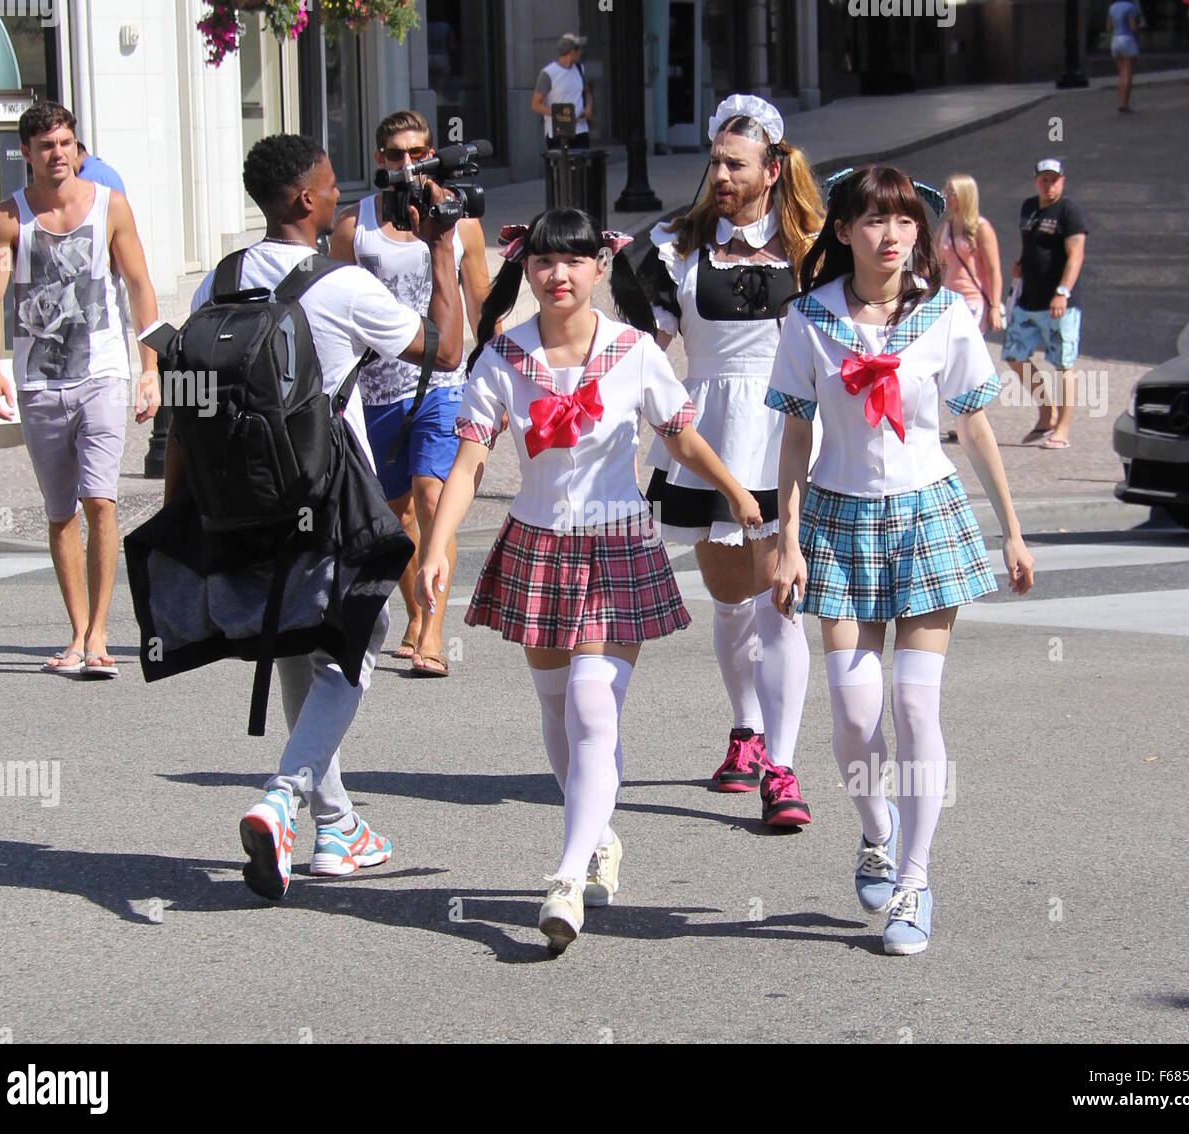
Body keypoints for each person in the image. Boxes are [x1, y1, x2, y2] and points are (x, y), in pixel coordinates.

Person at [415, 208, 762, 954]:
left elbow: (681, 437)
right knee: (557, 716)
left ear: (601, 269)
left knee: (591, 708)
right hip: (538, 546)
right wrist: (437, 547)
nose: (559, 274)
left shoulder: (635, 352)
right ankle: (600, 835)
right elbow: (469, 463)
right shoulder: (502, 358)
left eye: (575, 261)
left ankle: (566, 877)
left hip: (618, 546)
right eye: (544, 261)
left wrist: (735, 492)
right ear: (526, 269)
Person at [161, 134, 463, 900]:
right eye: (330, 188)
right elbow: (449, 349)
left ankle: (336, 829)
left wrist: (178, 514)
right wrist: (441, 251)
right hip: (326, 496)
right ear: (304, 200)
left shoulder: (214, 285)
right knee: (364, 641)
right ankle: (283, 798)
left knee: (298, 638)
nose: (339, 197)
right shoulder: (343, 286)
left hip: (236, 500)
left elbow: (186, 407)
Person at [768, 164, 1035, 955]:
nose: (892, 236)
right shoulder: (808, 319)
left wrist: (1013, 529)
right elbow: (793, 437)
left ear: (921, 232)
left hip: (927, 514)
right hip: (838, 517)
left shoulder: (948, 316)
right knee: (854, 711)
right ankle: (875, 827)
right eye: (874, 221)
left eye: (906, 221)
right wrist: (786, 539)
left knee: (916, 706)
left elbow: (975, 426)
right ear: (843, 230)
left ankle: (913, 883)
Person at [636, 94, 825, 825]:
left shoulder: (812, 246)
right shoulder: (673, 247)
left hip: (784, 435)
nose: (718, 173)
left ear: (772, 170)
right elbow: (647, 353)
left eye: (733, 163)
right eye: (713, 160)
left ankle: (782, 763)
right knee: (728, 598)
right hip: (704, 436)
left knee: (781, 602)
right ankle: (745, 731)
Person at [0, 101, 160, 679]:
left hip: (103, 372)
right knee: (60, 511)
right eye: (45, 146)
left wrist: (149, 366)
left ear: (77, 147)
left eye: (65, 143)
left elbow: (137, 284)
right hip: (37, 381)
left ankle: (101, 632)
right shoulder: (10, 218)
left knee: (100, 500)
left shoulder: (110, 207)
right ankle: (77, 633)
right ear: (25, 153)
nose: (58, 154)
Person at [330, 109, 491, 677]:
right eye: (395, 154)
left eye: (417, 153)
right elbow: (334, 311)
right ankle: (416, 613)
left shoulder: (459, 222)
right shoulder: (354, 227)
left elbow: (482, 310)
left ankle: (435, 635)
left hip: (442, 383)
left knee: (433, 497)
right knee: (397, 518)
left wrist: (497, 383)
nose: (407, 164)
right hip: (375, 390)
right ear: (379, 159)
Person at [1000, 158, 1087, 450]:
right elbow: (1029, 243)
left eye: (1054, 179)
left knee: (1063, 364)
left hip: (1059, 302)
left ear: (1062, 180)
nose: (1049, 184)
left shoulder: (1069, 211)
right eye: (1043, 179)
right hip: (1028, 298)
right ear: (1035, 180)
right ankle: (1046, 412)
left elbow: (1075, 254)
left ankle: (1062, 428)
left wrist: (1062, 291)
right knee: (1014, 354)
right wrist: (1021, 264)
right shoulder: (1028, 207)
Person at [937, 172, 1002, 444]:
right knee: (948, 360)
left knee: (964, 358)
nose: (945, 196)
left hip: (973, 302)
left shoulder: (980, 228)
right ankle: (962, 417)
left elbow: (993, 269)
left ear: (964, 195)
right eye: (946, 191)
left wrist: (995, 306)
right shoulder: (946, 228)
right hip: (949, 300)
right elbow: (932, 261)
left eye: (951, 192)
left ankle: (970, 418)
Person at [532, 33, 592, 150]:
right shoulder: (548, 73)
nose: (581, 52)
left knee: (582, 165)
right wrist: (561, 115)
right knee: (561, 166)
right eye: (579, 49)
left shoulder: (579, 69)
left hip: (580, 131)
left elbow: (587, 93)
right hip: (558, 133)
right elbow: (535, 104)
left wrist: (588, 107)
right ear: (571, 52)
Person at [1107, 1, 1144, 113]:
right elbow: (1132, 26)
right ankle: (1124, 104)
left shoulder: (1112, 7)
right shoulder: (1130, 7)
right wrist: (1139, 29)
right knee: (1127, 74)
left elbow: (1109, 26)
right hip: (1127, 39)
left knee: (1121, 74)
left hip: (1115, 40)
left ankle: (1121, 102)